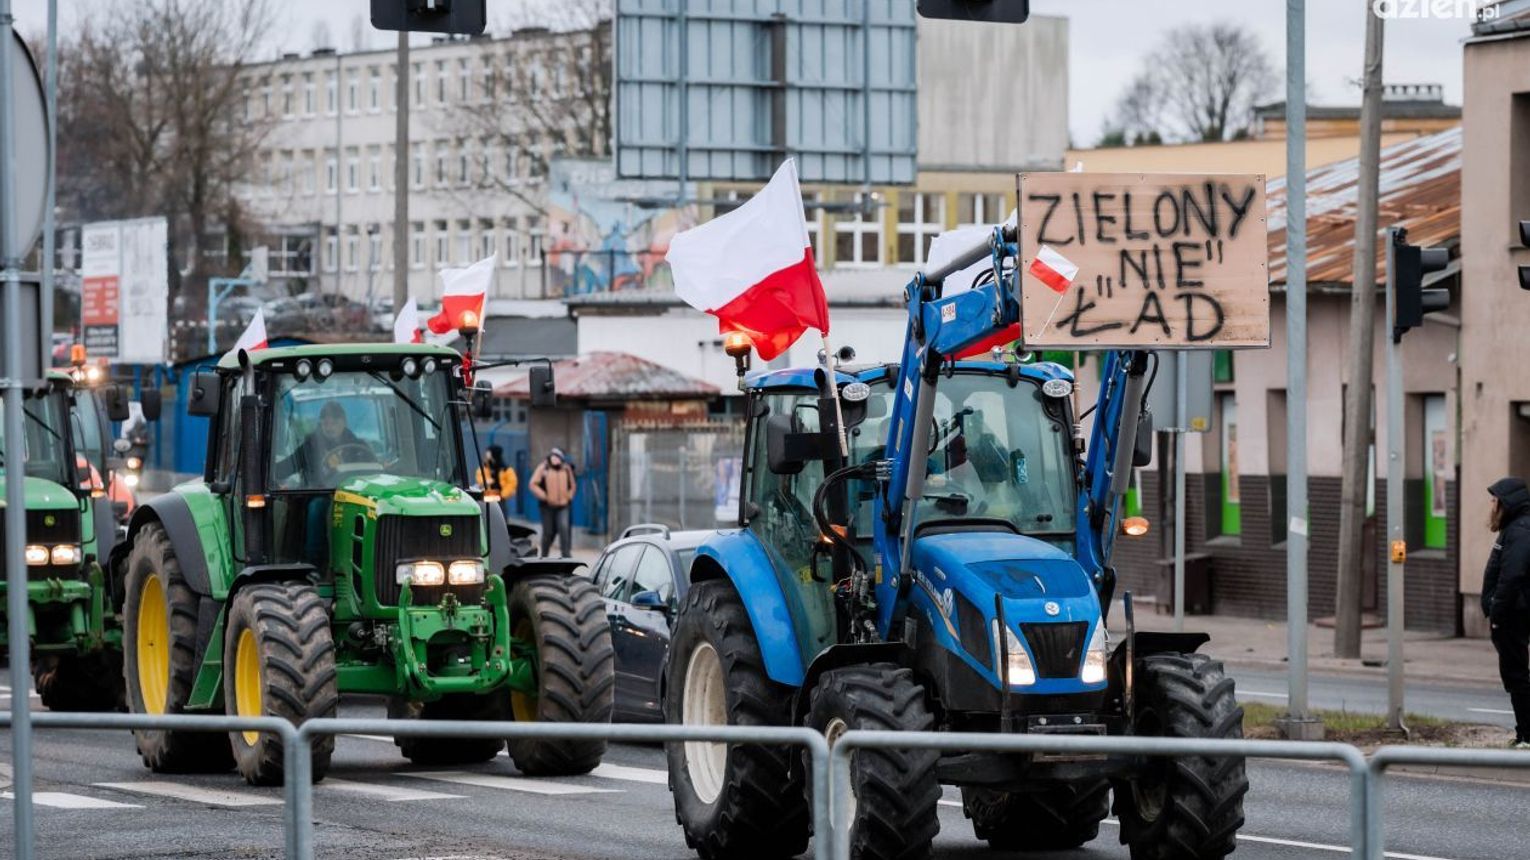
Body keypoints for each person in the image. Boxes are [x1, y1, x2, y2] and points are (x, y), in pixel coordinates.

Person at [272, 401, 366, 561]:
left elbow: (372, 471)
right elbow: (285, 468)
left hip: (354, 497)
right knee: (316, 508)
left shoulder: (359, 446)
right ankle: (314, 560)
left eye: (335, 422)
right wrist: (269, 472)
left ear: (344, 422)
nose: (330, 427)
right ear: (321, 423)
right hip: (323, 494)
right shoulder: (310, 446)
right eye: (326, 422)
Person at [1482, 477, 1530, 749]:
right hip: (1510, 611)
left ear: (1506, 503)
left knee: (1516, 675)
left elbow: (1511, 576)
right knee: (1515, 674)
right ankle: (1524, 733)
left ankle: (1527, 735)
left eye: (1495, 500)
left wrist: (1497, 611)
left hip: (1513, 613)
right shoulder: (1514, 528)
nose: (1492, 504)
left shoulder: (1520, 530)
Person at [530, 447, 577, 557]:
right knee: (548, 532)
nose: (555, 459)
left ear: (561, 459)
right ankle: (544, 555)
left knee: (564, 528)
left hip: (563, 505)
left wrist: (569, 496)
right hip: (547, 506)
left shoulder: (566, 469)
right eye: (553, 456)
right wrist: (544, 496)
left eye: (558, 457)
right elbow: (533, 484)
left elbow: (573, 485)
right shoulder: (543, 468)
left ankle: (566, 554)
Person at [477, 445, 518, 515]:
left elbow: (512, 483)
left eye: (488, 452)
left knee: (501, 515)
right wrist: (485, 481)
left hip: (500, 497)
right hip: (488, 495)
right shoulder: (486, 466)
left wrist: (502, 495)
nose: (486, 454)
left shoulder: (505, 468)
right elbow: (480, 475)